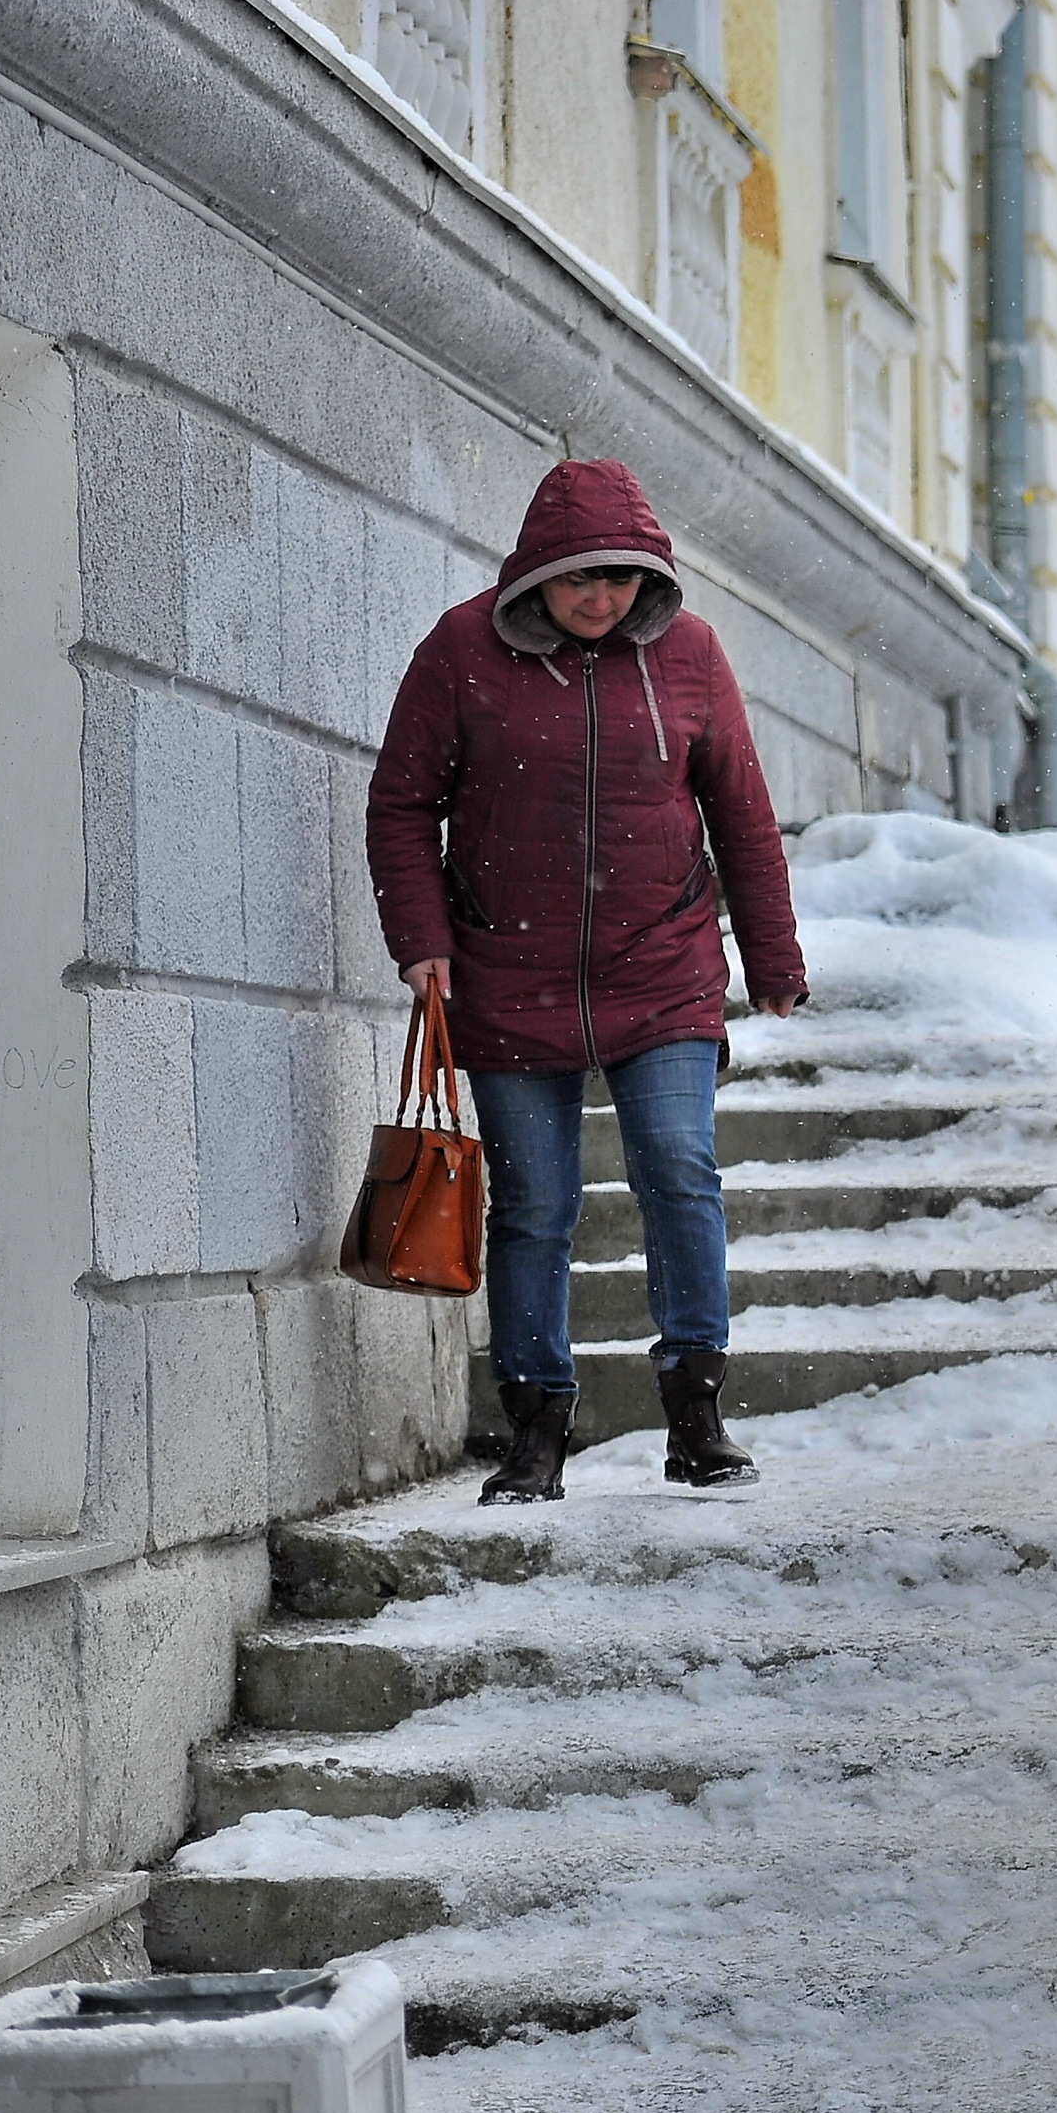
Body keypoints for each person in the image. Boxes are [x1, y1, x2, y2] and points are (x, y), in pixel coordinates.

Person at [365, 456, 807, 1505]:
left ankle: (696, 1412)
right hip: (506, 967)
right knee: (534, 1203)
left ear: (646, 575)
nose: (599, 599)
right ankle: (537, 1427)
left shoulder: (690, 653)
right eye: (578, 582)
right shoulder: (463, 651)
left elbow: (741, 811)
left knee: (677, 1164)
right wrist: (422, 937)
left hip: (664, 963)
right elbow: (399, 805)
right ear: (534, 580)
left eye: (617, 579)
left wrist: (774, 955)